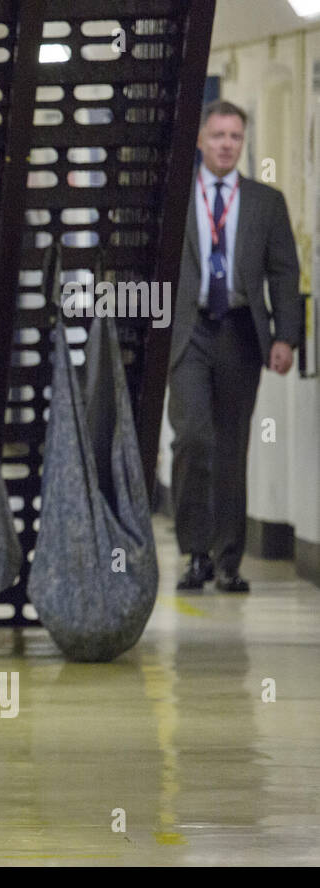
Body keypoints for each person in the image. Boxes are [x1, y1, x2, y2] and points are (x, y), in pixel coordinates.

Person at [170, 99, 302, 593]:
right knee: (192, 438)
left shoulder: (266, 202)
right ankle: (195, 552)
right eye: (218, 135)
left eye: (235, 137)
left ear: (243, 143)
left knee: (232, 447)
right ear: (202, 139)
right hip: (188, 330)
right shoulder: (176, 195)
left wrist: (286, 336)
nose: (227, 144)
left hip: (241, 332)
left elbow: (285, 273)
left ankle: (228, 560)